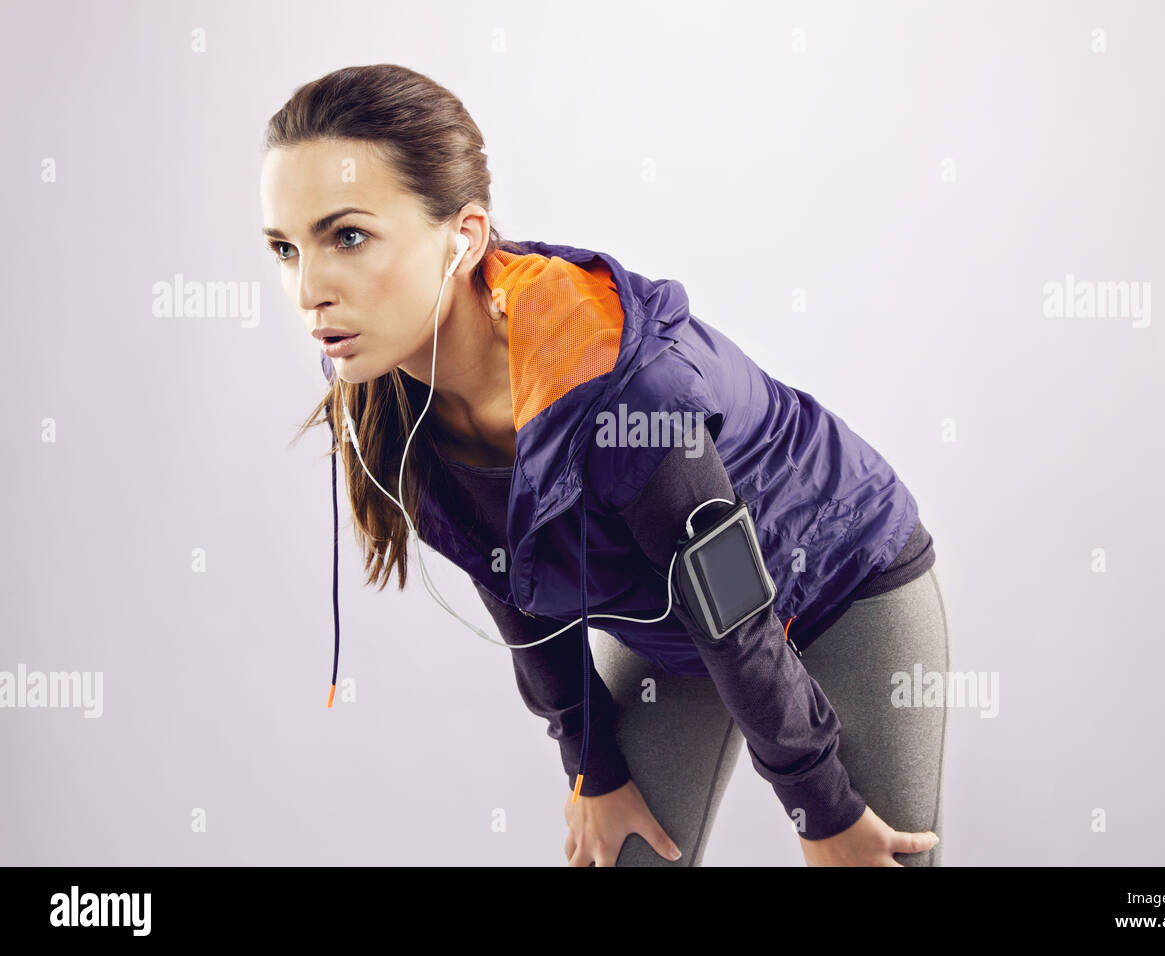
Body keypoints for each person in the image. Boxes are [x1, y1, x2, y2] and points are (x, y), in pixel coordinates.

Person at [262, 64, 950, 867]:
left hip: (844, 586)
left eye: (348, 236)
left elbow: (733, 612)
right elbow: (518, 588)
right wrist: (592, 762)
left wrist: (819, 807)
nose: (309, 289)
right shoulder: (394, 407)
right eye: (284, 247)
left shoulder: (623, 389)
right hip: (674, 630)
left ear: (464, 237)